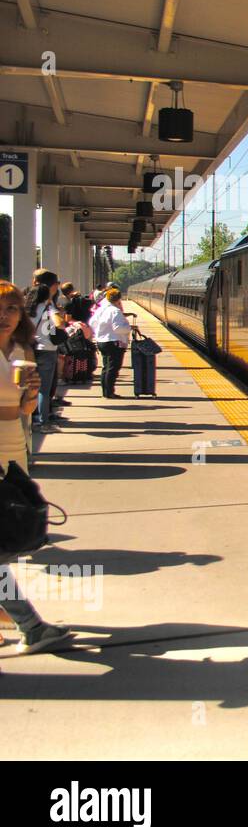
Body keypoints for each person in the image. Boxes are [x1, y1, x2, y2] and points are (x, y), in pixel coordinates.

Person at [0, 279, 73, 654]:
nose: (5, 316)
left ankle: (22, 623)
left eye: (12, 308)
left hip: (13, 449)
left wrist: (29, 394)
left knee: (7, 538)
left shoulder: (21, 349)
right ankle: (31, 626)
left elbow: (26, 412)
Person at [27, 284, 63, 433]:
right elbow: (59, 324)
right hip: (47, 350)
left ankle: (30, 419)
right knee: (44, 390)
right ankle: (43, 423)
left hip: (30, 350)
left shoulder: (27, 310)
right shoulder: (49, 309)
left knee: (29, 387)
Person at [90, 288, 131, 398]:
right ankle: (110, 392)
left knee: (106, 367)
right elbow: (117, 328)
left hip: (102, 341)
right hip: (113, 342)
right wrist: (129, 328)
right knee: (113, 367)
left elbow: (92, 322)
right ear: (118, 299)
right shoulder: (115, 311)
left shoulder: (102, 309)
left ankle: (106, 392)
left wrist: (99, 332)